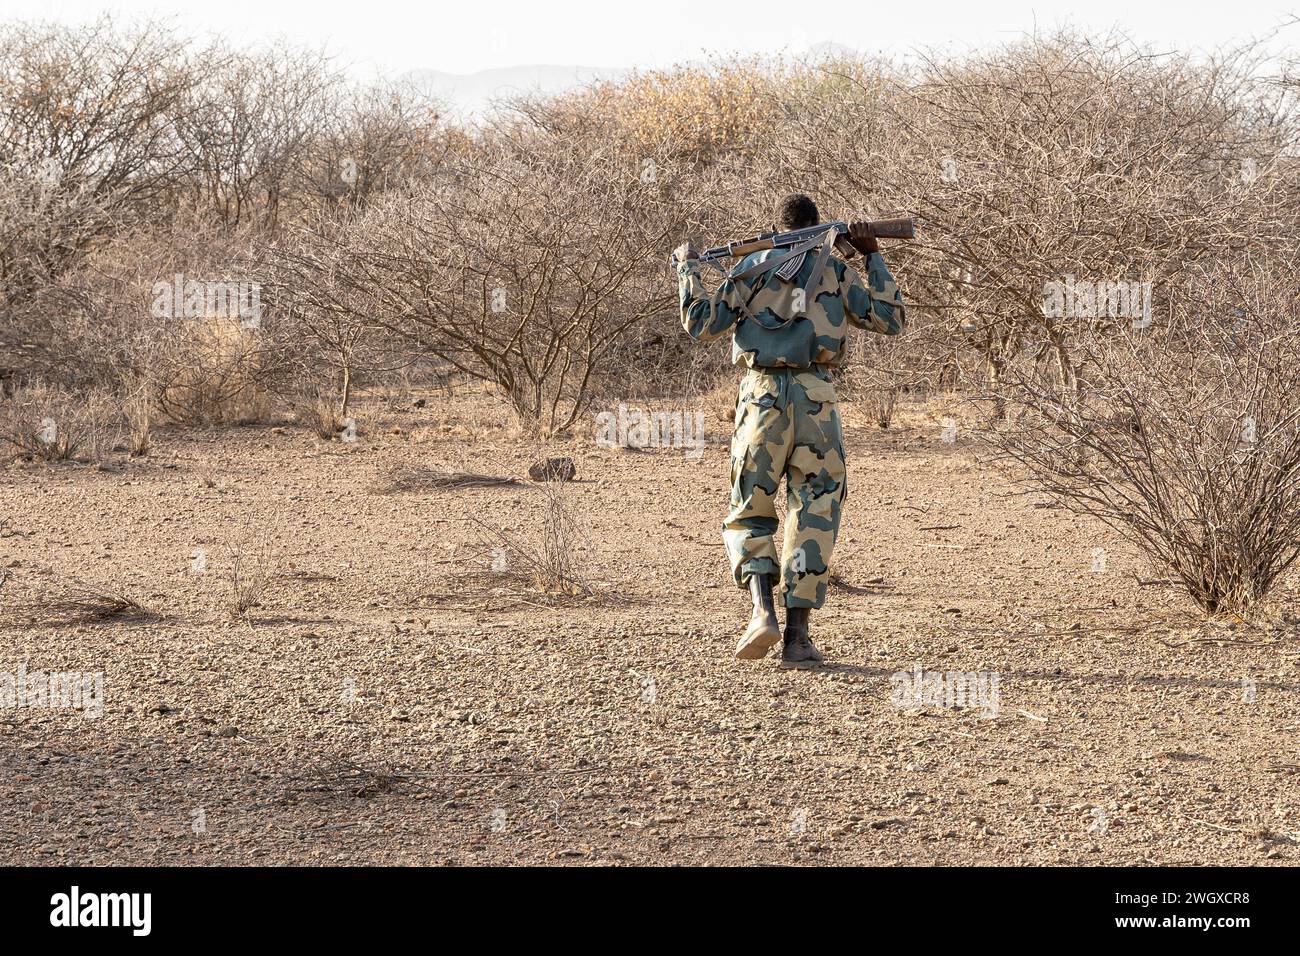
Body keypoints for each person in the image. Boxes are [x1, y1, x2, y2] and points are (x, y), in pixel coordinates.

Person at [673, 193, 907, 663]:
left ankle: (762, 612)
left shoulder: (751, 267)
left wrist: (687, 268)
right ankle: (798, 637)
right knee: (816, 508)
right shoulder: (836, 270)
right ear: (820, 227)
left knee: (750, 507)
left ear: (777, 226)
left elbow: (700, 324)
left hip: (760, 399)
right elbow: (890, 318)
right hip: (816, 398)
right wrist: (873, 255)